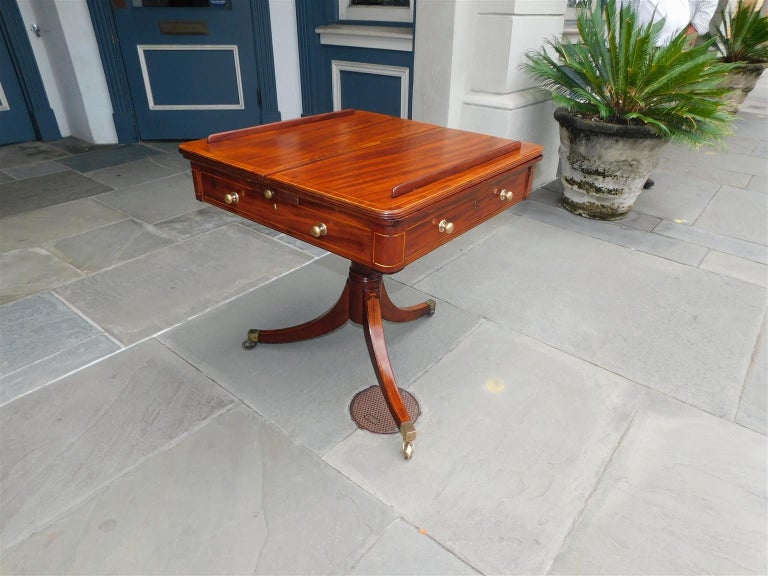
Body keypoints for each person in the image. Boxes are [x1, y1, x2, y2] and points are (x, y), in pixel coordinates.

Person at [620, 0, 719, 188]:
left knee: (655, 109)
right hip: (629, 39)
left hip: (670, 44)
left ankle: (637, 167)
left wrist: (693, 29)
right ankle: (618, 163)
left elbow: (708, 3)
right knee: (621, 101)